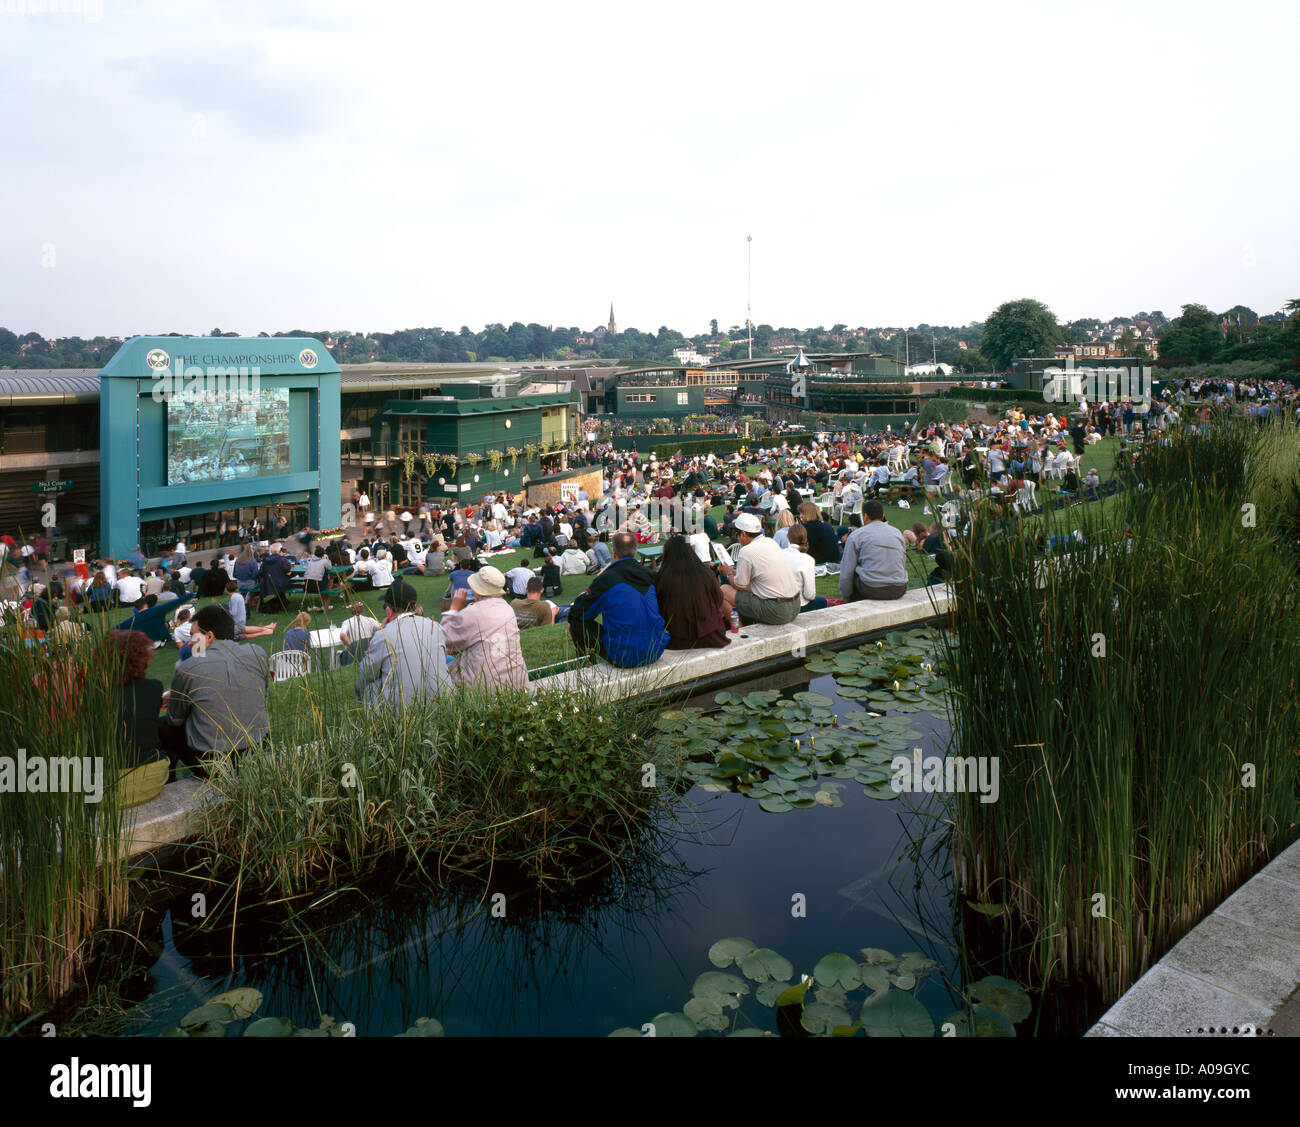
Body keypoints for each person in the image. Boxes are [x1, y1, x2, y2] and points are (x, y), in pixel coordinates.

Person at [162, 605, 270, 771]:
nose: (190, 642)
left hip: (212, 763)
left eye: (193, 636)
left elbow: (175, 719)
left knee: (164, 726)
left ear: (210, 636)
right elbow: (263, 695)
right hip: (257, 748)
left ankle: (169, 780)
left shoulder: (188, 668)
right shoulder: (258, 653)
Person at [568, 531, 668, 668]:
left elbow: (580, 613)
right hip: (656, 648)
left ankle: (586, 666)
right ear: (635, 551)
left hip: (625, 655)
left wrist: (585, 595)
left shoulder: (606, 579)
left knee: (576, 623)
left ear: (614, 553)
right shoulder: (651, 575)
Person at [355, 579, 451, 707]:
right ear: (414, 604)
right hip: (443, 701)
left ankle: (377, 723)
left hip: (404, 711)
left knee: (361, 684)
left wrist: (381, 632)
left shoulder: (384, 635)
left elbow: (367, 672)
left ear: (389, 610)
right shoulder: (436, 627)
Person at [441, 565, 527, 690]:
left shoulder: (473, 612)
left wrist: (454, 608)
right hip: (517, 680)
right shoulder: (507, 608)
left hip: (485, 686)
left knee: (442, 665)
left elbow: (444, 638)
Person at [718, 513, 801, 626]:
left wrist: (728, 573)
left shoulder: (746, 551)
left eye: (737, 534)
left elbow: (739, 586)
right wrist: (733, 572)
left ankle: (740, 632)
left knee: (723, 591)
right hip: (795, 605)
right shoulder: (771, 542)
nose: (737, 538)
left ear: (743, 534)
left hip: (778, 610)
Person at [654, 535, 730, 650]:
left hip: (676, 639)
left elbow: (657, 608)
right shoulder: (706, 573)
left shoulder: (662, 577)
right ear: (690, 550)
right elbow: (718, 600)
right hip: (709, 635)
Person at [839, 500, 908, 601]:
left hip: (872, 589)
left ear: (865, 516)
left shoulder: (856, 535)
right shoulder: (897, 532)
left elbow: (846, 571)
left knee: (852, 570)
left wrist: (846, 597)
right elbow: (902, 562)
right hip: (899, 588)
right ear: (883, 515)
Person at [784, 524, 826, 612]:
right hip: (798, 606)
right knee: (823, 601)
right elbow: (810, 595)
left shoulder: (778, 554)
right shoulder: (808, 560)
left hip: (779, 604)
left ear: (788, 538)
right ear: (806, 539)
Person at [338, 600, 381, 666]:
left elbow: (343, 635)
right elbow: (382, 629)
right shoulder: (370, 620)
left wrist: (352, 648)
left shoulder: (347, 622)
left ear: (351, 611)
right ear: (362, 610)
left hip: (355, 654)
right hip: (368, 652)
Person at [302, 546, 333, 611]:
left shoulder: (310, 560)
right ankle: (325, 602)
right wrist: (327, 559)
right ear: (323, 554)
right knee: (329, 579)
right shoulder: (324, 561)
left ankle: (322, 601)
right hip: (318, 586)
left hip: (306, 586)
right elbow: (330, 567)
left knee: (323, 578)